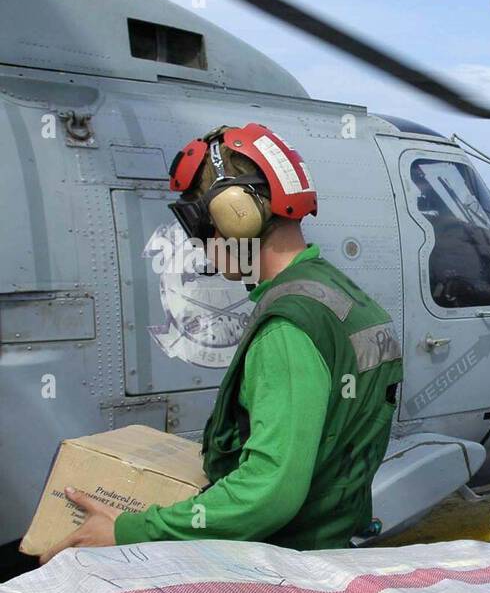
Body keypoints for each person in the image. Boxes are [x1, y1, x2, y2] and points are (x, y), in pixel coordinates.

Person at [43, 124, 402, 561]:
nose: (198, 245)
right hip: (330, 550)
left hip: (284, 567)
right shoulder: (340, 296)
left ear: (237, 216)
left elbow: (268, 493)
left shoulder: (289, 326)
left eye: (197, 222)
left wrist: (128, 530)